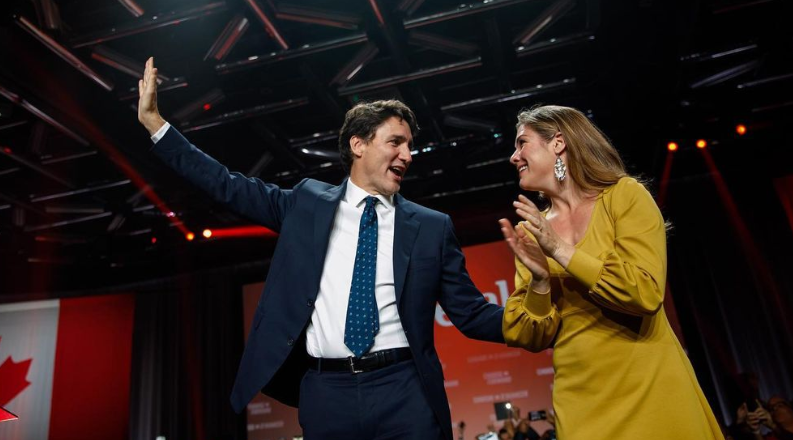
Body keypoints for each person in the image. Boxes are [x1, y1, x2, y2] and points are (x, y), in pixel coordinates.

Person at [137, 58, 503, 440]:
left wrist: (548, 315)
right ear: (357, 144)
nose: (408, 155)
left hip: (404, 390)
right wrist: (155, 125)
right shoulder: (306, 204)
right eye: (396, 142)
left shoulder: (431, 226)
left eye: (410, 146)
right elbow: (225, 184)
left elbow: (472, 313)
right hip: (327, 393)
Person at [497, 105, 724, 440]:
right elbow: (526, 335)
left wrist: (560, 250)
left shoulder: (624, 196)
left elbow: (644, 294)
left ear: (558, 142)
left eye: (522, 143)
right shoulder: (530, 232)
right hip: (582, 399)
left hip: (652, 386)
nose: (513, 157)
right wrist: (541, 282)